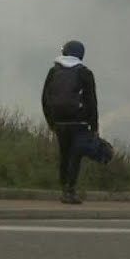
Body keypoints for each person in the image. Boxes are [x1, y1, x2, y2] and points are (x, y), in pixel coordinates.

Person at [40, 40, 98, 204]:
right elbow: (91, 101)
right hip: (79, 122)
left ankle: (63, 187)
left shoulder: (53, 71)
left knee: (64, 154)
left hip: (59, 122)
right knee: (75, 156)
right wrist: (94, 126)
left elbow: (45, 98)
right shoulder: (85, 73)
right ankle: (70, 190)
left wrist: (51, 121)